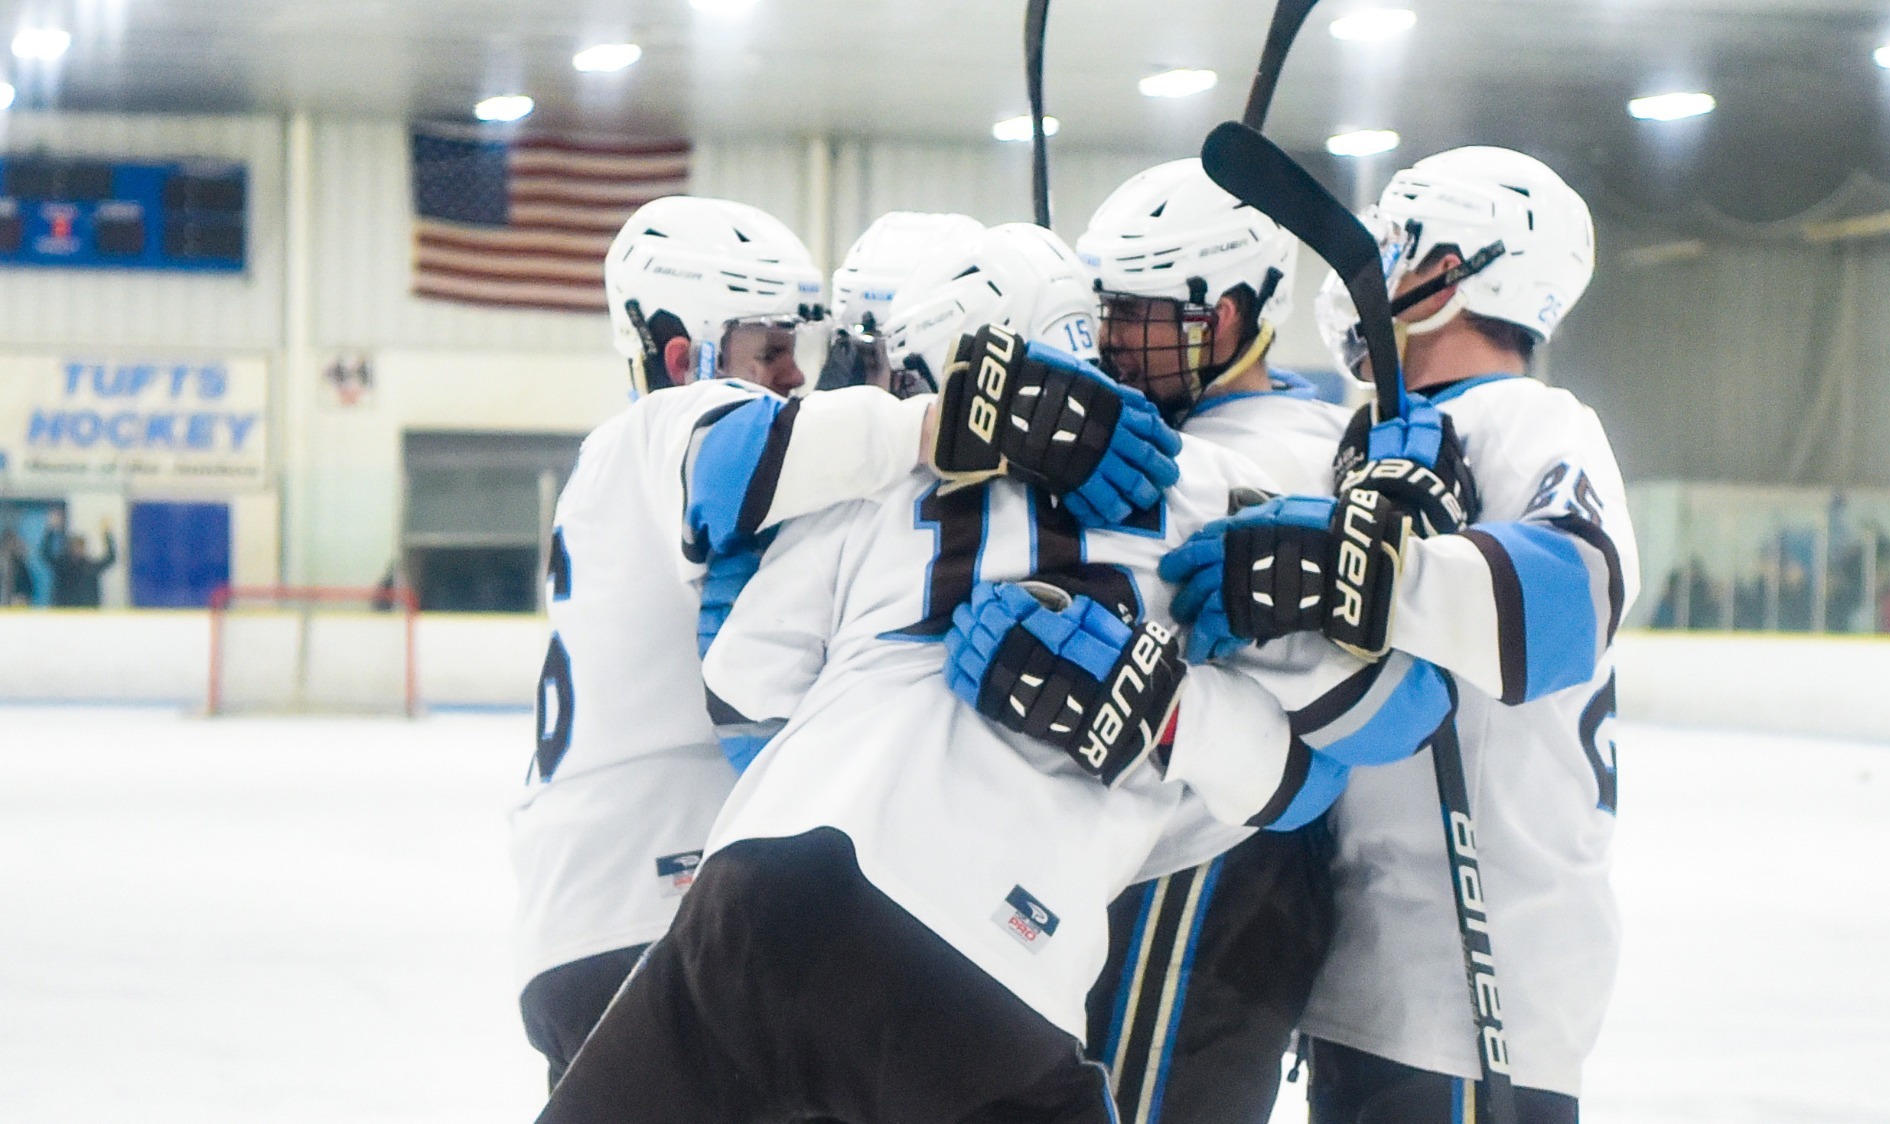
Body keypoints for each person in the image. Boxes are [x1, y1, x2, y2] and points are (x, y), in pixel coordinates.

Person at [535, 221, 1419, 1124]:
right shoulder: (1226, 493)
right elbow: (1338, 753)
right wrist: (1169, 712)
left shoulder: (880, 479)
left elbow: (747, 692)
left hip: (766, 894)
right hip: (1000, 968)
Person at [509, 201, 1178, 1089]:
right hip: (654, 901)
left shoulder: (627, 480)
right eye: (772, 349)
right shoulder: (659, 430)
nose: (798, 377)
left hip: (594, 911)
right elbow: (748, 454)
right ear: (686, 357)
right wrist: (956, 422)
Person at [1166, 146, 1635, 1123]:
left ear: (1468, 266)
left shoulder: (1527, 418)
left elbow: (1571, 601)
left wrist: (1365, 571)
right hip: (1377, 976)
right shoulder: (1374, 432)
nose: (1367, 272)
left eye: (1397, 244)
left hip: (1477, 984)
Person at [1064, 156, 1357, 1124]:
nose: (1108, 343)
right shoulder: (1259, 428)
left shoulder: (1258, 454)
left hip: (1214, 865)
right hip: (1182, 859)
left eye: (1134, 317)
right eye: (1102, 312)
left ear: (1225, 317)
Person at [42, 511, 117, 608]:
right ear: (69, 548)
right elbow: (45, 554)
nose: (78, 550)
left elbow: (110, 558)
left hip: (87, 613)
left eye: (80, 547)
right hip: (63, 612)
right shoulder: (61, 565)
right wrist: (51, 530)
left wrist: (107, 534)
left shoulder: (90, 566)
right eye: (75, 547)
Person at [3, 526, 33, 605]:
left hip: (21, 594)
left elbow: (26, 551)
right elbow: (8, 581)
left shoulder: (19, 560)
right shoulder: (6, 560)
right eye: (13, 541)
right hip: (14, 596)